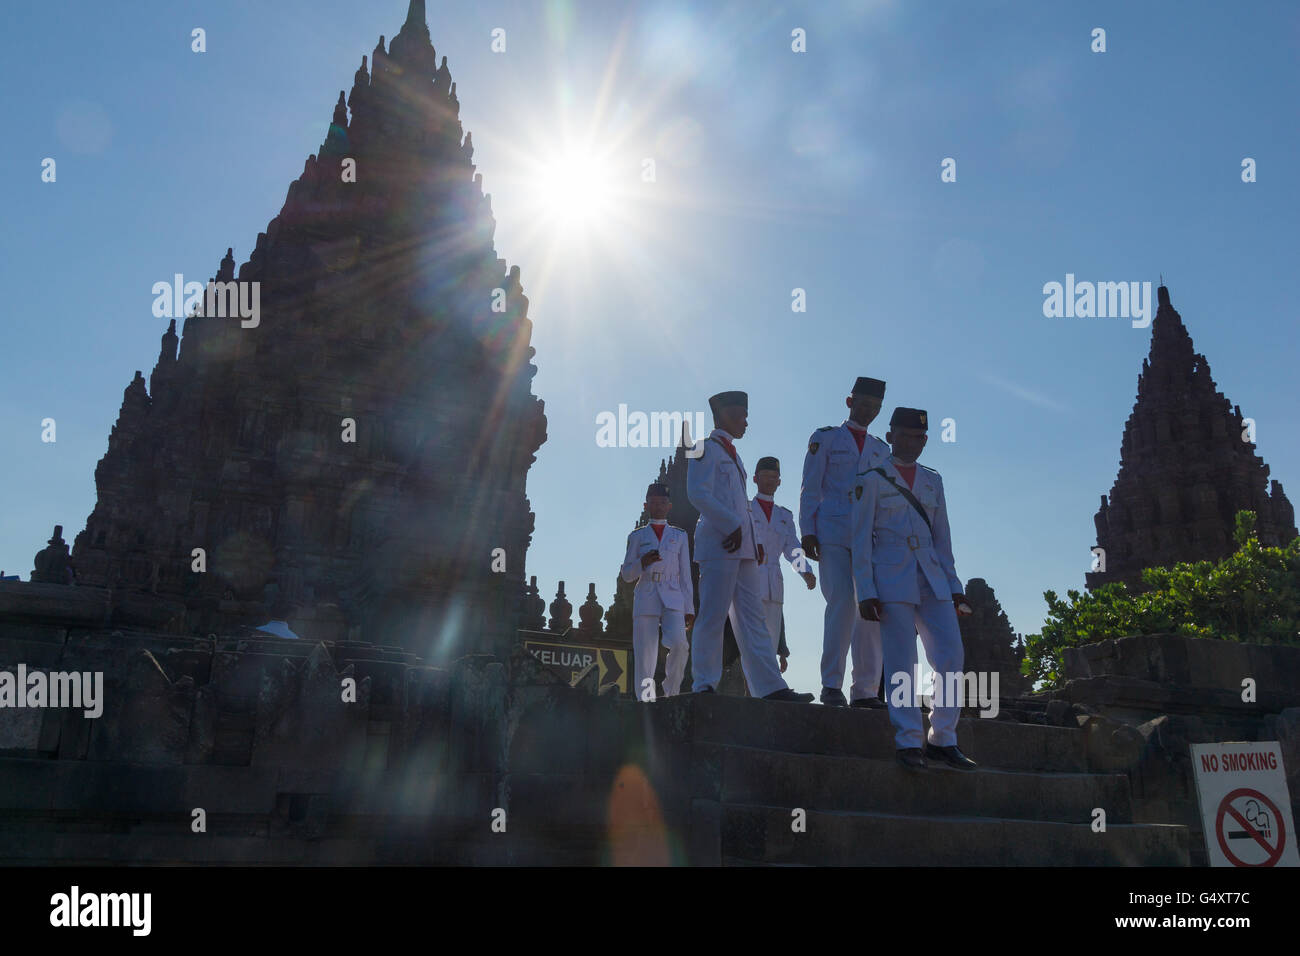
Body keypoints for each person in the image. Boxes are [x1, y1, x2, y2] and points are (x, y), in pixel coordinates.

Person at [851, 407, 977, 770]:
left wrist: (955, 586)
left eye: (919, 437)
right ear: (890, 437)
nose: (913, 442)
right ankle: (908, 740)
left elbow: (943, 539)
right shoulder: (871, 479)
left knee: (951, 656)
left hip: (933, 578)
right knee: (903, 663)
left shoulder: (933, 481)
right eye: (905, 436)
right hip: (891, 579)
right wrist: (865, 591)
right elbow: (860, 542)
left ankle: (943, 738)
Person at [687, 390, 814, 702]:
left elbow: (740, 507)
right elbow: (697, 493)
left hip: (743, 548)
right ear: (725, 415)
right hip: (719, 543)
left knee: (753, 620)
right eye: (742, 415)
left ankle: (770, 687)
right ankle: (704, 683)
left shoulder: (733, 454)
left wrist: (754, 541)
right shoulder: (703, 447)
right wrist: (732, 526)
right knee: (714, 616)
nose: (746, 422)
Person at [799, 376, 890, 707]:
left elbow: (886, 497)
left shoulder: (882, 450)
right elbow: (811, 486)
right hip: (833, 531)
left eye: (875, 408)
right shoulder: (825, 438)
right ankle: (831, 685)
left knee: (870, 610)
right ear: (850, 402)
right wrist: (807, 530)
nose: (868, 411)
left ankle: (865, 690)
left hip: (870, 538)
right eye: (864, 404)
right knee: (841, 604)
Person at [729, 456, 815, 675]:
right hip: (749, 579)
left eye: (774, 477)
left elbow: (792, 547)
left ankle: (767, 692)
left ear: (780, 482)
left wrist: (806, 571)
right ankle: (754, 692)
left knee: (770, 640)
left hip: (774, 585)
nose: (769, 480)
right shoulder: (745, 509)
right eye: (765, 476)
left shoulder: (784, 516)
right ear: (756, 479)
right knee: (749, 643)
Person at [619, 482, 695, 700]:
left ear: (669, 506)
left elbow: (686, 576)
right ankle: (646, 701)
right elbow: (626, 574)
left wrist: (689, 608)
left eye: (662, 503)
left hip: (673, 595)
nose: (658, 507)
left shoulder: (679, 536)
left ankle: (671, 693)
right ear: (646, 505)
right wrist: (642, 562)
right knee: (645, 656)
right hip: (647, 594)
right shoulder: (637, 537)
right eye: (653, 503)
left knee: (681, 645)